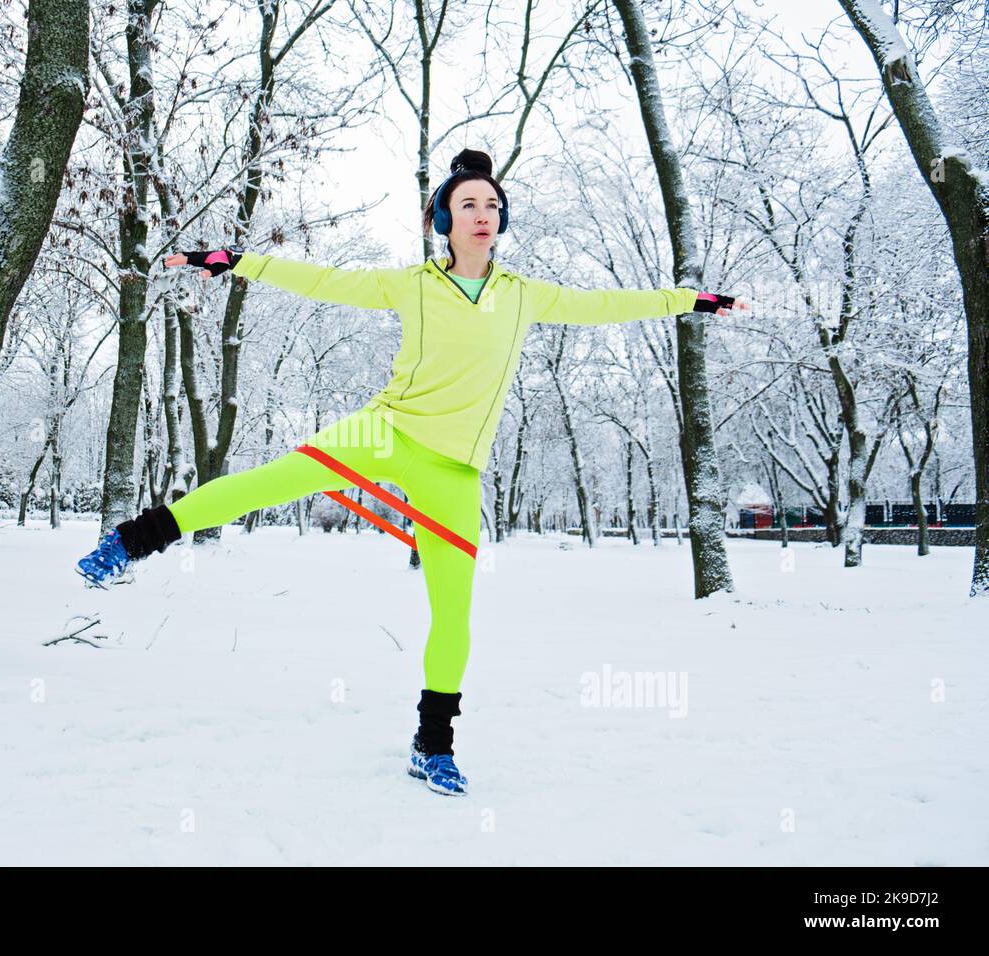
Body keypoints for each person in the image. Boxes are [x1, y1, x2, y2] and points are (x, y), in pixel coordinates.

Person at [76, 148, 748, 796]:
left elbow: (608, 305)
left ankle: (433, 746)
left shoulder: (522, 296)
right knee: (270, 482)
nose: (483, 212)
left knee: (454, 616)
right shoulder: (415, 285)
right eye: (468, 203)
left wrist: (690, 302)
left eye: (492, 204)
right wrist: (240, 262)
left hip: (454, 469)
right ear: (444, 220)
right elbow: (324, 281)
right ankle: (129, 543)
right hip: (385, 430)